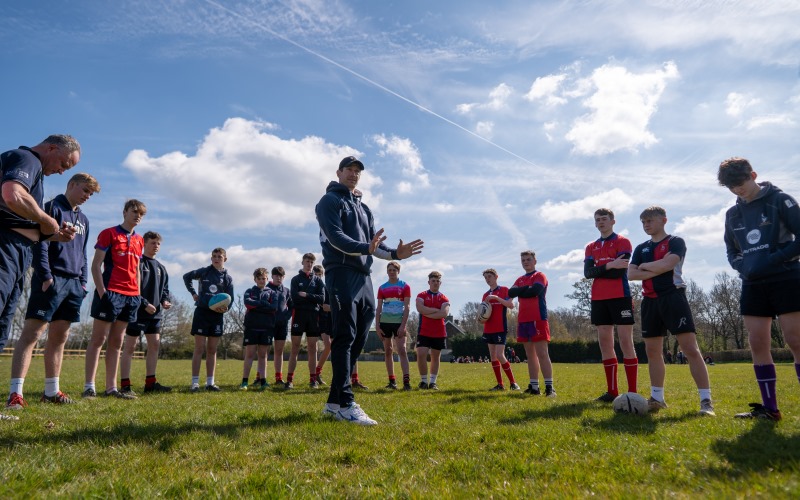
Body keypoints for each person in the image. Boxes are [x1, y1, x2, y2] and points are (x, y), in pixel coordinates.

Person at [315, 155, 423, 426]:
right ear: (338, 172)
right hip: (340, 273)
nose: (353, 174)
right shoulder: (329, 201)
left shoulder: (364, 208)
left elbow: (374, 245)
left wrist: (397, 253)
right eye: (349, 170)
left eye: (357, 171)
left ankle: (333, 403)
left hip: (364, 278)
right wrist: (366, 248)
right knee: (344, 335)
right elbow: (336, 238)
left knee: (359, 338)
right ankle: (347, 403)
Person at [1, 135, 80, 420]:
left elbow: (25, 218)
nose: (61, 170)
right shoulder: (26, 159)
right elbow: (13, 195)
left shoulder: (38, 171)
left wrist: (55, 235)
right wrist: (47, 220)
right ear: (51, 148)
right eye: (63, 163)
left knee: (2, 326)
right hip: (4, 247)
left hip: (19, 252)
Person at [5, 173, 98, 411]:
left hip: (74, 284)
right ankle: (16, 393)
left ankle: (51, 391)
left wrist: (83, 282)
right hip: (51, 280)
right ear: (72, 185)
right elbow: (41, 242)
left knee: (60, 338)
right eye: (85, 190)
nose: (87, 196)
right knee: (32, 335)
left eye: (90, 193)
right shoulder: (50, 207)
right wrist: (45, 275)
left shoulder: (84, 219)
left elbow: (84, 254)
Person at [718, 157, 800, 421]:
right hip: (752, 283)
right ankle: (770, 409)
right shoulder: (732, 214)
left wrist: (773, 259)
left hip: (786, 277)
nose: (738, 190)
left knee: (796, 341)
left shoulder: (780, 200)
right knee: (757, 342)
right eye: (731, 187)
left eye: (740, 183)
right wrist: (742, 266)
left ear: (752, 174)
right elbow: (731, 251)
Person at [628, 206, 715, 416]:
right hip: (649, 302)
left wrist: (646, 268)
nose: (646, 225)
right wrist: (655, 267)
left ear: (664, 220)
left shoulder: (676, 242)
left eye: (650, 220)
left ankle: (706, 401)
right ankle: (657, 399)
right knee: (652, 351)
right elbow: (631, 274)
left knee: (690, 349)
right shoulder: (640, 248)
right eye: (643, 222)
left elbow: (669, 264)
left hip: (673, 297)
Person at [84, 199, 147, 400]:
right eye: (134, 211)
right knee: (98, 340)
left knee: (117, 342)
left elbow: (137, 269)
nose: (137, 216)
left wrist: (137, 293)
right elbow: (96, 266)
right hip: (110, 293)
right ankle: (89, 387)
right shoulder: (109, 233)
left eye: (141, 214)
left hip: (131, 297)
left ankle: (111, 388)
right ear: (125, 212)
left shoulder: (140, 240)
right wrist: (103, 293)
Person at [583, 208, 638, 402]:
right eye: (597, 219)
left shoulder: (623, 241)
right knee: (605, 343)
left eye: (604, 219)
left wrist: (603, 268)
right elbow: (588, 273)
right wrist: (609, 265)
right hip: (598, 298)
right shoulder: (590, 246)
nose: (600, 222)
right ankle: (612, 391)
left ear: (613, 221)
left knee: (625, 342)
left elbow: (618, 272)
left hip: (620, 296)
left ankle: (632, 392)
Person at [119, 231, 172, 395]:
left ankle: (150, 383)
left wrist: (165, 300)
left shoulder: (161, 268)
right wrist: (144, 303)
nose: (155, 246)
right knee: (130, 347)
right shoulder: (138, 262)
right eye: (152, 243)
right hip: (137, 311)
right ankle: (125, 385)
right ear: (144, 244)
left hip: (154, 314)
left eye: (158, 243)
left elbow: (165, 290)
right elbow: (132, 286)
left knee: (154, 345)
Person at [183, 248, 234, 392]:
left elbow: (231, 299)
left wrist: (225, 308)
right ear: (211, 258)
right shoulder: (204, 271)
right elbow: (186, 276)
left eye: (220, 257)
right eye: (214, 256)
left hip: (216, 316)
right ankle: (195, 383)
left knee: (212, 350)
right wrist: (193, 293)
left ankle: (210, 383)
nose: (217, 259)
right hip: (202, 313)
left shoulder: (228, 278)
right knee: (199, 348)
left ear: (225, 259)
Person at [508, 250, 555, 397]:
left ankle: (549, 387)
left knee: (542, 353)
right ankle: (534, 387)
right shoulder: (520, 279)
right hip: (523, 319)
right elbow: (510, 292)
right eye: (523, 260)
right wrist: (525, 290)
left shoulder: (540, 276)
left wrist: (521, 291)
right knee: (530, 355)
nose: (526, 262)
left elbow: (535, 291)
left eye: (528, 259)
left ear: (535, 261)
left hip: (538, 318)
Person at [287, 253, 325, 389]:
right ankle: (289, 380)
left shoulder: (318, 281)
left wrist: (307, 295)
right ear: (302, 262)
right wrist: (311, 299)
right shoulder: (296, 279)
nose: (309, 264)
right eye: (307, 261)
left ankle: (313, 380)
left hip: (313, 317)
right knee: (295, 348)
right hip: (298, 316)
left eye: (311, 262)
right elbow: (295, 298)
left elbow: (322, 298)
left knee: (312, 349)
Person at [479, 268, 519, 391]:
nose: (487, 279)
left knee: (500, 355)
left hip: (500, 328)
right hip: (488, 329)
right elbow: (484, 313)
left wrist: (495, 298)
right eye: (485, 277)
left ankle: (513, 383)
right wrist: (481, 318)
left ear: (496, 277)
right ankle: (500, 384)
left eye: (489, 277)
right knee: (493, 356)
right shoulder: (485, 295)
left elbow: (510, 305)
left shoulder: (504, 290)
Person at [375, 261, 412, 390]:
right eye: (389, 270)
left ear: (398, 271)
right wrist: (377, 326)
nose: (392, 272)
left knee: (401, 350)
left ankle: (406, 382)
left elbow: (407, 307)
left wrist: (403, 325)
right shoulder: (382, 288)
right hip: (385, 323)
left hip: (399, 323)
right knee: (388, 351)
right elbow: (379, 308)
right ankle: (392, 381)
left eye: (394, 270)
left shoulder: (405, 286)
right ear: (387, 271)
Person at [241, 268, 279, 390]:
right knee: (250, 354)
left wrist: (258, 305)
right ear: (255, 279)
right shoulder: (249, 291)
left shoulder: (272, 293)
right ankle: (244, 382)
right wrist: (263, 304)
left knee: (263, 355)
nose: (262, 280)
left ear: (267, 279)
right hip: (251, 326)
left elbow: (273, 308)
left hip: (266, 327)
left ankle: (263, 382)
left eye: (264, 278)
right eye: (259, 278)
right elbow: (248, 303)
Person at [415, 271, 450, 390]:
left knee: (435, 357)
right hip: (423, 331)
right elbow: (420, 308)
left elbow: (444, 313)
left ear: (440, 283)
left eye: (437, 281)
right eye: (433, 281)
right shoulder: (421, 295)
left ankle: (433, 382)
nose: (435, 283)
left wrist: (427, 312)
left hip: (439, 332)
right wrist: (436, 311)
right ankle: (424, 382)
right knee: (421, 354)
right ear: (428, 282)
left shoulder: (444, 298)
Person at [267, 266, 293, 386]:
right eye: (276, 275)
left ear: (283, 277)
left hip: (282, 325)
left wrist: (286, 317)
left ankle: (278, 377)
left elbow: (292, 306)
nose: (279, 278)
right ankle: (260, 377)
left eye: (281, 276)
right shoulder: (266, 288)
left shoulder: (286, 290)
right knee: (264, 351)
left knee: (279, 351)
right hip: (267, 323)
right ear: (272, 276)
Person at [313, 264, 332, 385]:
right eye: (316, 275)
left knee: (329, 346)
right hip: (313, 320)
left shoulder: (326, 288)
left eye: (320, 275)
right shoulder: (311, 287)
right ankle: (314, 375)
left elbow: (327, 306)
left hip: (325, 321)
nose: (318, 277)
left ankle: (317, 372)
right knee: (313, 348)